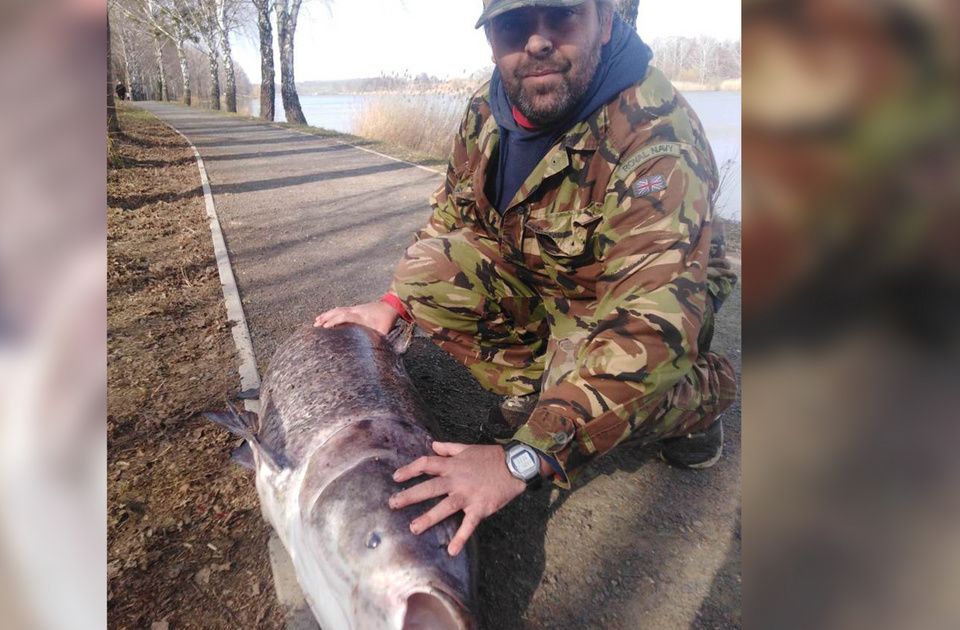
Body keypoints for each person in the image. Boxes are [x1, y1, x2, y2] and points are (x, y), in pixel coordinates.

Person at [315, 0, 737, 557]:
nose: (536, 42)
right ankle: (533, 392)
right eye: (514, 24)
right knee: (430, 272)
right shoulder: (485, 112)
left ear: (605, 22)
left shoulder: (656, 139)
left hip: (647, 304)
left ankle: (700, 400)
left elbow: (650, 329)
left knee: (612, 371)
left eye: (561, 15)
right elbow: (453, 218)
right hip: (552, 277)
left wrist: (520, 460)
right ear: (492, 38)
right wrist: (393, 303)